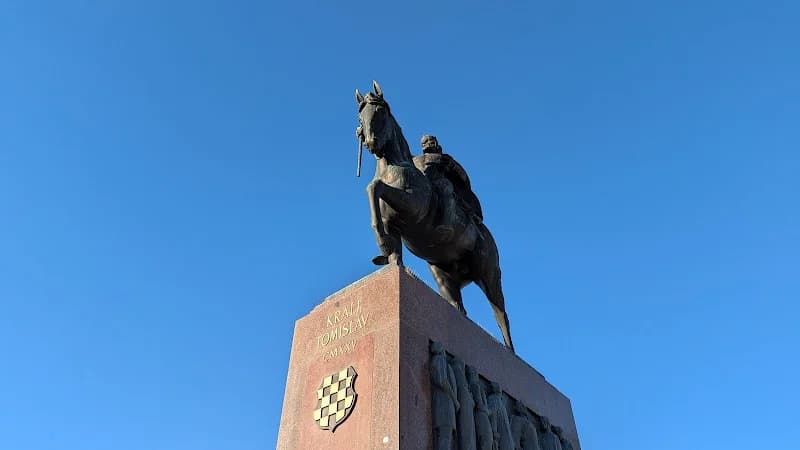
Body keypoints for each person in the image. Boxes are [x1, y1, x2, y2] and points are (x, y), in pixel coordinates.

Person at [414, 135, 484, 231]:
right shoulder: (418, 160)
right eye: (426, 142)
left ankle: (446, 223)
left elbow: (464, 177)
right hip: (424, 183)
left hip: (440, 182)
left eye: (431, 141)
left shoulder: (445, 158)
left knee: (446, 188)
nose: (429, 143)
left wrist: (452, 165)